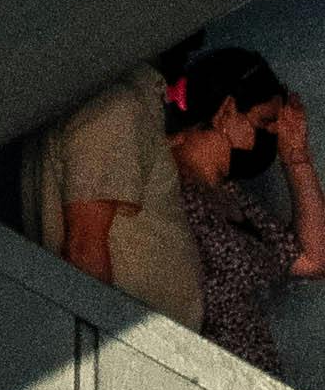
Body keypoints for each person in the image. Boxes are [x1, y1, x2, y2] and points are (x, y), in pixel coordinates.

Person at [167, 45, 325, 375]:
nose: (268, 136)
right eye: (264, 121)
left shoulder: (231, 196)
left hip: (251, 381)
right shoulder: (166, 183)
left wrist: (297, 157)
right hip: (199, 377)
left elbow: (318, 259)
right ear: (227, 111)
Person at [22, 57, 203, 330]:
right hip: (124, 347)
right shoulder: (114, 108)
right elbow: (84, 248)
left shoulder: (133, 106)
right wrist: (106, 348)